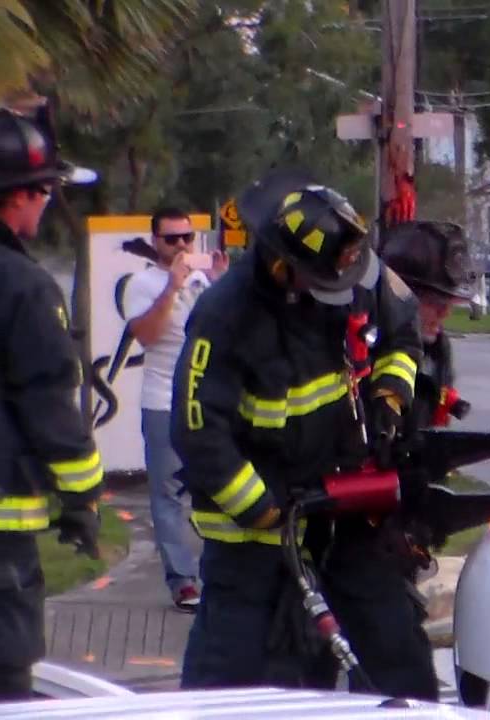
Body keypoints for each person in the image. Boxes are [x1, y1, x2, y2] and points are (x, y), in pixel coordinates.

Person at [171, 170, 433, 697]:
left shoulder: (355, 270)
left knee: (394, 653)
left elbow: (404, 334)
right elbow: (198, 430)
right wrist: (261, 507)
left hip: (343, 511)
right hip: (255, 538)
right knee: (242, 679)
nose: (337, 297)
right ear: (281, 267)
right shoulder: (226, 317)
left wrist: (390, 394)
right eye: (319, 285)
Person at [0, 106, 103, 699]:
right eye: (44, 191)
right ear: (16, 196)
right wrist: (83, 497)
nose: (46, 204)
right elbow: (51, 410)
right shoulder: (24, 287)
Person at [122, 207, 228, 612]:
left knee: (217, 488)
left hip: (208, 400)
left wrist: (219, 285)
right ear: (156, 242)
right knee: (167, 494)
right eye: (172, 239)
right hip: (164, 401)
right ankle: (183, 581)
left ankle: (218, 573)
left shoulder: (205, 282)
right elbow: (147, 336)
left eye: (188, 237)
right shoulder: (143, 283)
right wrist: (172, 287)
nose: (183, 245)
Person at [379, 220, 477, 430]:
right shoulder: (361, 348)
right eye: (435, 302)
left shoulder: (437, 349)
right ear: (394, 294)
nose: (445, 313)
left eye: (449, 303)